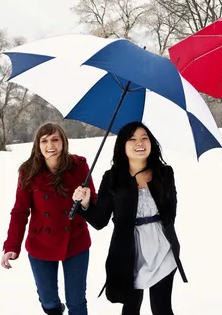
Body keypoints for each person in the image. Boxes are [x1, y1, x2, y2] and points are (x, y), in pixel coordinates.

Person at [73, 121, 187, 315]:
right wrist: (84, 204)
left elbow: (171, 212)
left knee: (162, 309)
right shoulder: (113, 178)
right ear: (122, 146)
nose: (139, 143)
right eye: (132, 139)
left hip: (162, 247)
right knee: (131, 307)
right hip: (127, 250)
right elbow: (100, 220)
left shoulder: (164, 173)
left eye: (144, 138)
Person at [1, 123, 97, 315]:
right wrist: (11, 246)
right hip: (41, 243)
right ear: (37, 144)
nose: (50, 145)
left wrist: (85, 201)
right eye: (44, 141)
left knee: (77, 302)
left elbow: (93, 201)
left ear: (63, 142)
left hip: (75, 241)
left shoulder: (79, 166)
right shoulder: (28, 171)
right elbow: (20, 211)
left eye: (55, 139)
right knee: (48, 301)